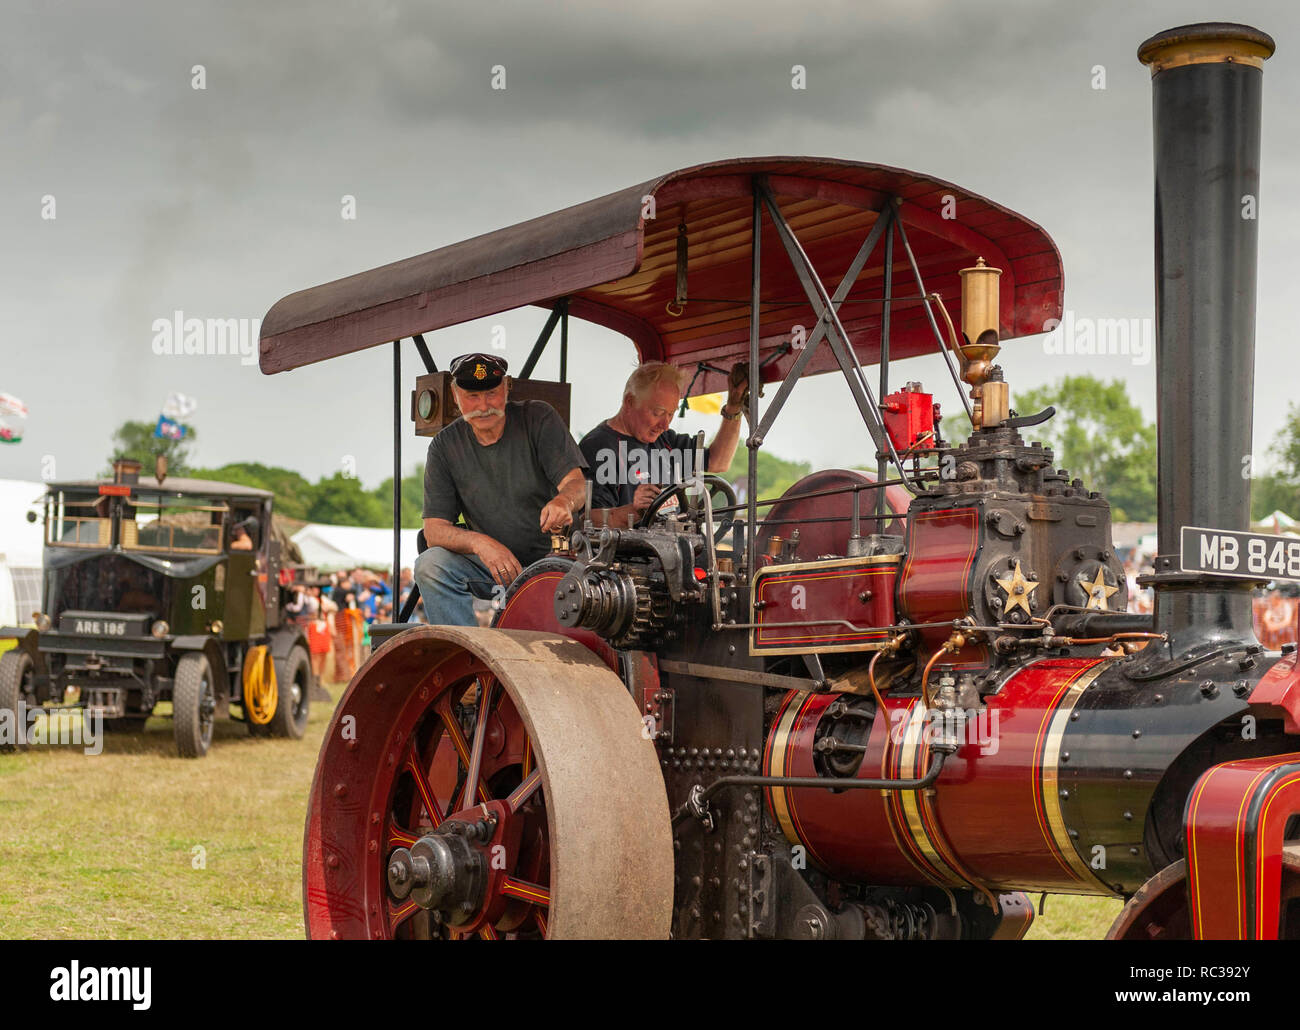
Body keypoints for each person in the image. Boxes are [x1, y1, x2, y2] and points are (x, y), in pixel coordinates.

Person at [415, 352, 588, 626]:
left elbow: (577, 484)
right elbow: (433, 530)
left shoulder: (538, 417)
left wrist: (564, 501)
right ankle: (465, 657)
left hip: (556, 562)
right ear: (454, 394)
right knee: (431, 565)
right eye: (472, 396)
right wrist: (480, 543)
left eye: (492, 393)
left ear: (507, 387)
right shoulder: (443, 447)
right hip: (494, 569)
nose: (483, 406)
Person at [580, 361, 749, 528]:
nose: (665, 425)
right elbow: (588, 520)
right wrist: (635, 511)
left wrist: (734, 408)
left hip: (672, 549)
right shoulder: (599, 448)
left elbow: (718, 461)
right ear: (630, 402)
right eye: (658, 413)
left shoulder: (665, 441)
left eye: (670, 414)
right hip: (627, 553)